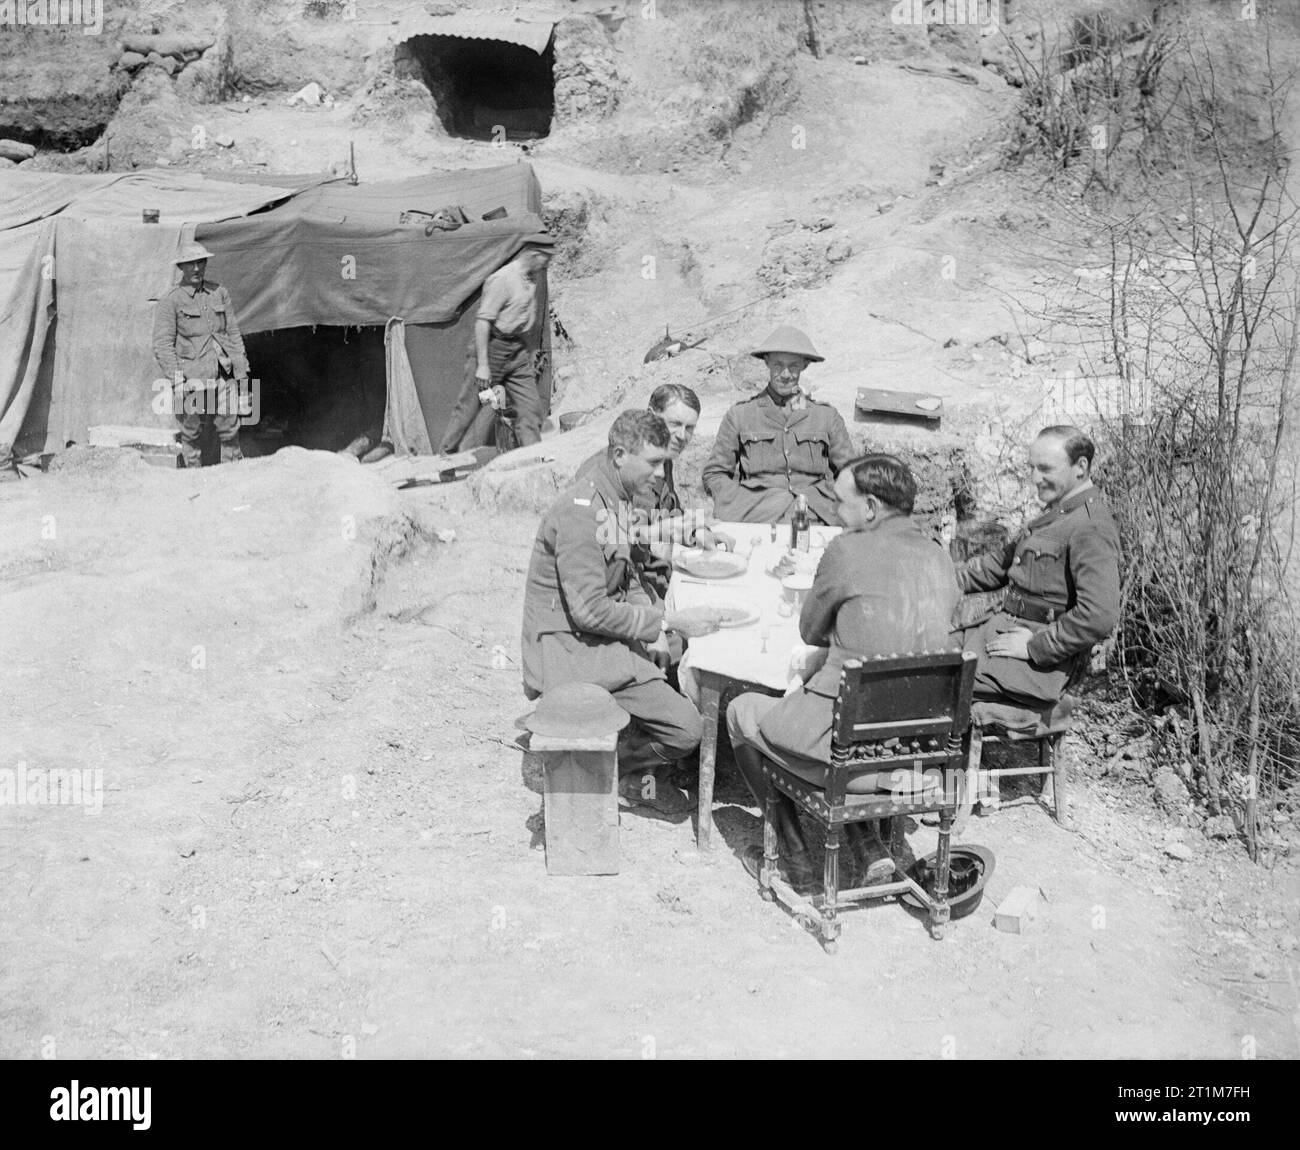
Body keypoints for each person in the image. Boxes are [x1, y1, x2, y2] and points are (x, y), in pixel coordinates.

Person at [726, 454, 960, 890]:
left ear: (870, 507)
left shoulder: (846, 549)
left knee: (741, 711)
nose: (835, 513)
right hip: (918, 753)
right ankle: (867, 845)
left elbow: (810, 629)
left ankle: (793, 855)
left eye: (840, 503)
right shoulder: (939, 558)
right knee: (851, 709)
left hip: (849, 751)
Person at [521, 409, 721, 816]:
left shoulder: (612, 491)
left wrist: (653, 624)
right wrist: (664, 622)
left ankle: (611, 755)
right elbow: (589, 612)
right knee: (687, 731)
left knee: (676, 664)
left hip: (594, 640)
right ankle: (599, 769)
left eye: (663, 462)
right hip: (569, 651)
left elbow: (623, 570)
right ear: (618, 455)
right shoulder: (582, 510)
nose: (662, 474)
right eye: (652, 463)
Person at [956, 425, 1121, 714]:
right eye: (1032, 467)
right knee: (923, 652)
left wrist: (1035, 647)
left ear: (1080, 466)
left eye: (1045, 468)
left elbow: (1099, 615)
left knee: (933, 677)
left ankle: (921, 758)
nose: (1034, 478)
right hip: (1003, 634)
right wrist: (933, 576)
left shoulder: (1090, 526)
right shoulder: (1056, 515)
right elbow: (993, 568)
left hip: (1038, 665)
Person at [575, 383, 733, 603]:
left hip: (647, 573)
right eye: (675, 424)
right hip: (619, 584)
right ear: (651, 416)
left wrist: (696, 532)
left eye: (689, 428)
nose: (682, 436)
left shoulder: (662, 459)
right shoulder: (621, 470)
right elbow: (622, 545)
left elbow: (671, 512)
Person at [702, 324, 855, 524]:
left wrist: (831, 502)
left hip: (816, 516)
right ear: (767, 363)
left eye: (793, 366)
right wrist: (737, 502)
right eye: (778, 365)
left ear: (804, 366)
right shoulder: (740, 415)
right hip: (756, 517)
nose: (785, 374)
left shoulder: (826, 416)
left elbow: (852, 472)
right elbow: (715, 473)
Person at [438, 233, 554, 455]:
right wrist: (483, 365)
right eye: (545, 259)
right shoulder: (503, 279)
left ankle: (533, 458)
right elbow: (483, 322)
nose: (546, 265)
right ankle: (445, 457)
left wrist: (527, 351)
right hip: (493, 347)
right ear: (533, 253)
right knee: (468, 409)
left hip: (516, 352)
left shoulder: (531, 277)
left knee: (531, 409)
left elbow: (523, 317)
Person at [152, 241, 249, 467]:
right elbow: (163, 345)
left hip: (223, 376)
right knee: (191, 434)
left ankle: (228, 479)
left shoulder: (219, 293)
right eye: (190, 264)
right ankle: (193, 482)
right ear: (181, 267)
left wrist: (241, 373)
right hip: (191, 379)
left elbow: (233, 333)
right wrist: (177, 383)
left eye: (200, 262)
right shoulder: (171, 300)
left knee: (230, 431)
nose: (196, 268)